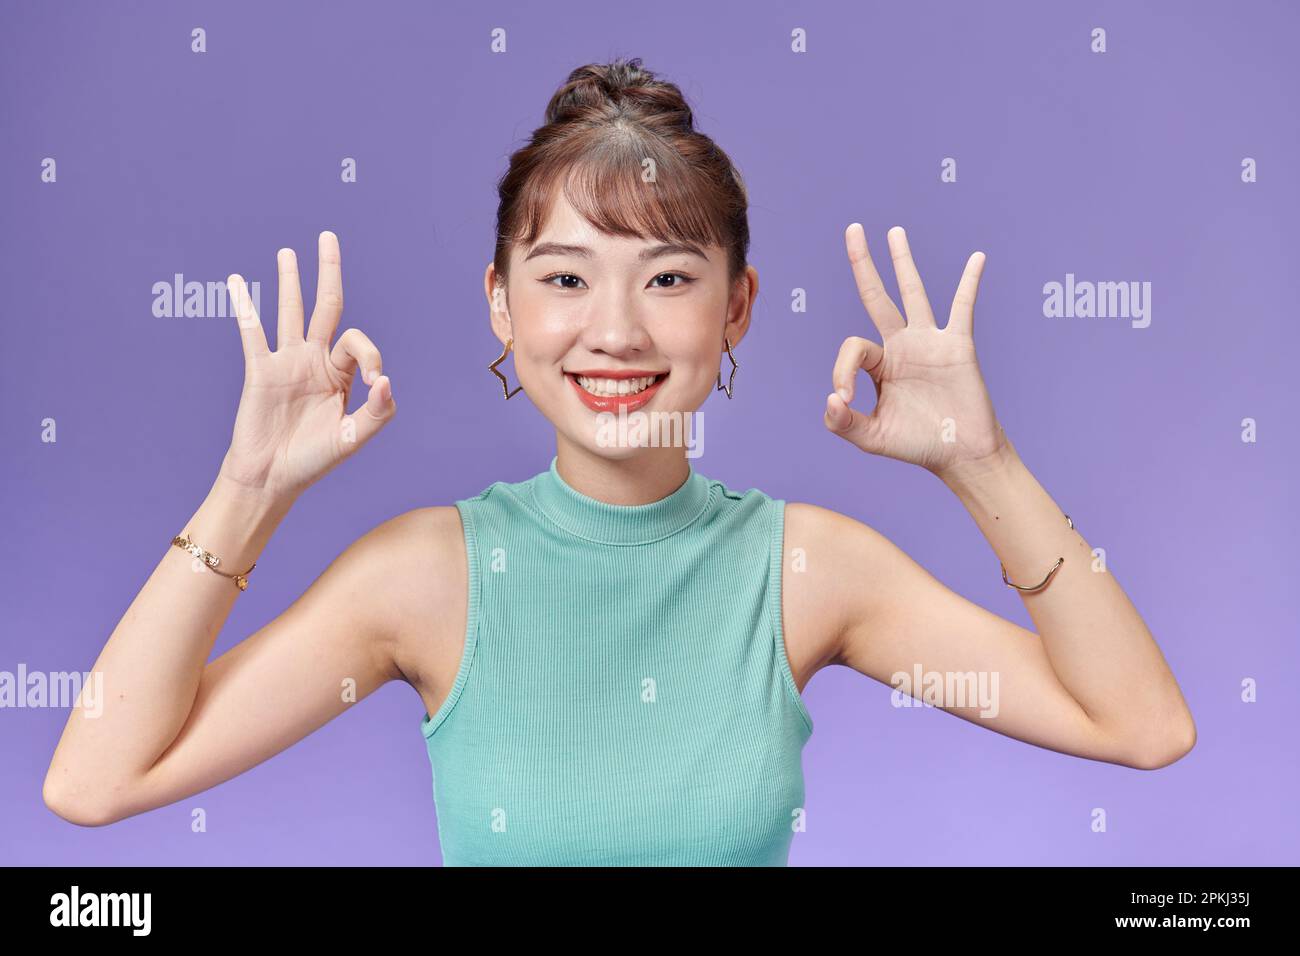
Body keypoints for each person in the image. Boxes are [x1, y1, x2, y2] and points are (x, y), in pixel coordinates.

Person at [42, 58, 1195, 866]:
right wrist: (249, 491)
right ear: (500, 304)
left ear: (736, 307)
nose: (616, 329)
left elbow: (1139, 727)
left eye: (668, 276)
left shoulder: (807, 571)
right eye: (562, 277)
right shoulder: (428, 576)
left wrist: (980, 462)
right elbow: (94, 781)